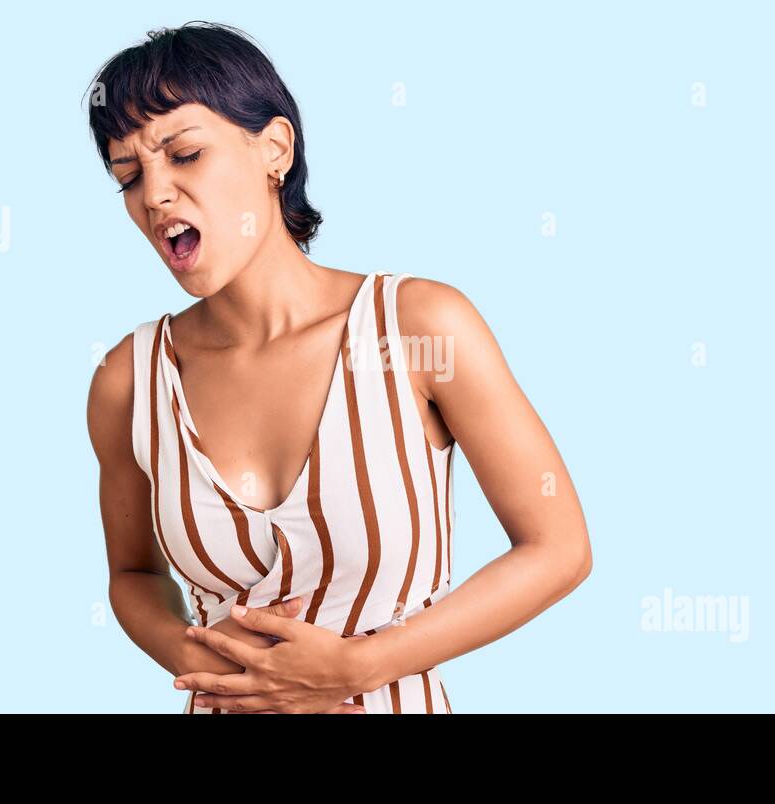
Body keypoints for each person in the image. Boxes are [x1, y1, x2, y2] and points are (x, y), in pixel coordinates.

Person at [84, 21, 591, 714]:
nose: (155, 195)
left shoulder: (418, 326)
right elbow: (132, 573)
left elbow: (558, 547)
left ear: (275, 148)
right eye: (130, 176)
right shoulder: (128, 381)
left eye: (186, 155)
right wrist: (183, 647)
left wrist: (359, 664)